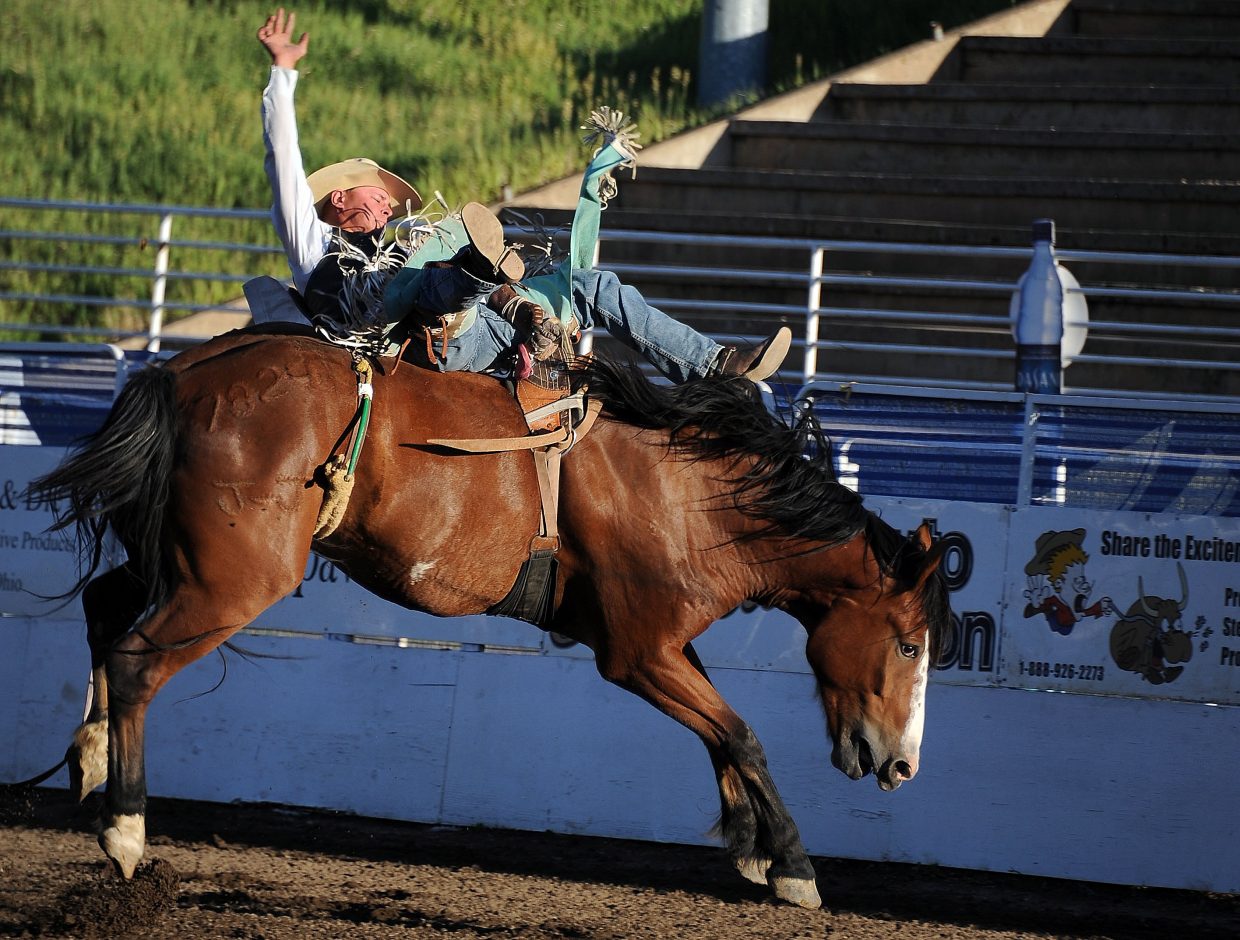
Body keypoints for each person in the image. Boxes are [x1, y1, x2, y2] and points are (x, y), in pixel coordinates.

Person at [256, 8, 791, 383]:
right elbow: (284, 161)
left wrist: (519, 309)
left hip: (476, 328)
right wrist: (283, 73)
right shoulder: (314, 247)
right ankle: (477, 267)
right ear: (338, 200)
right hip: (411, 340)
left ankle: (713, 364)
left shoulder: (399, 244)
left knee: (592, 285)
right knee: (435, 272)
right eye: (377, 195)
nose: (390, 205)